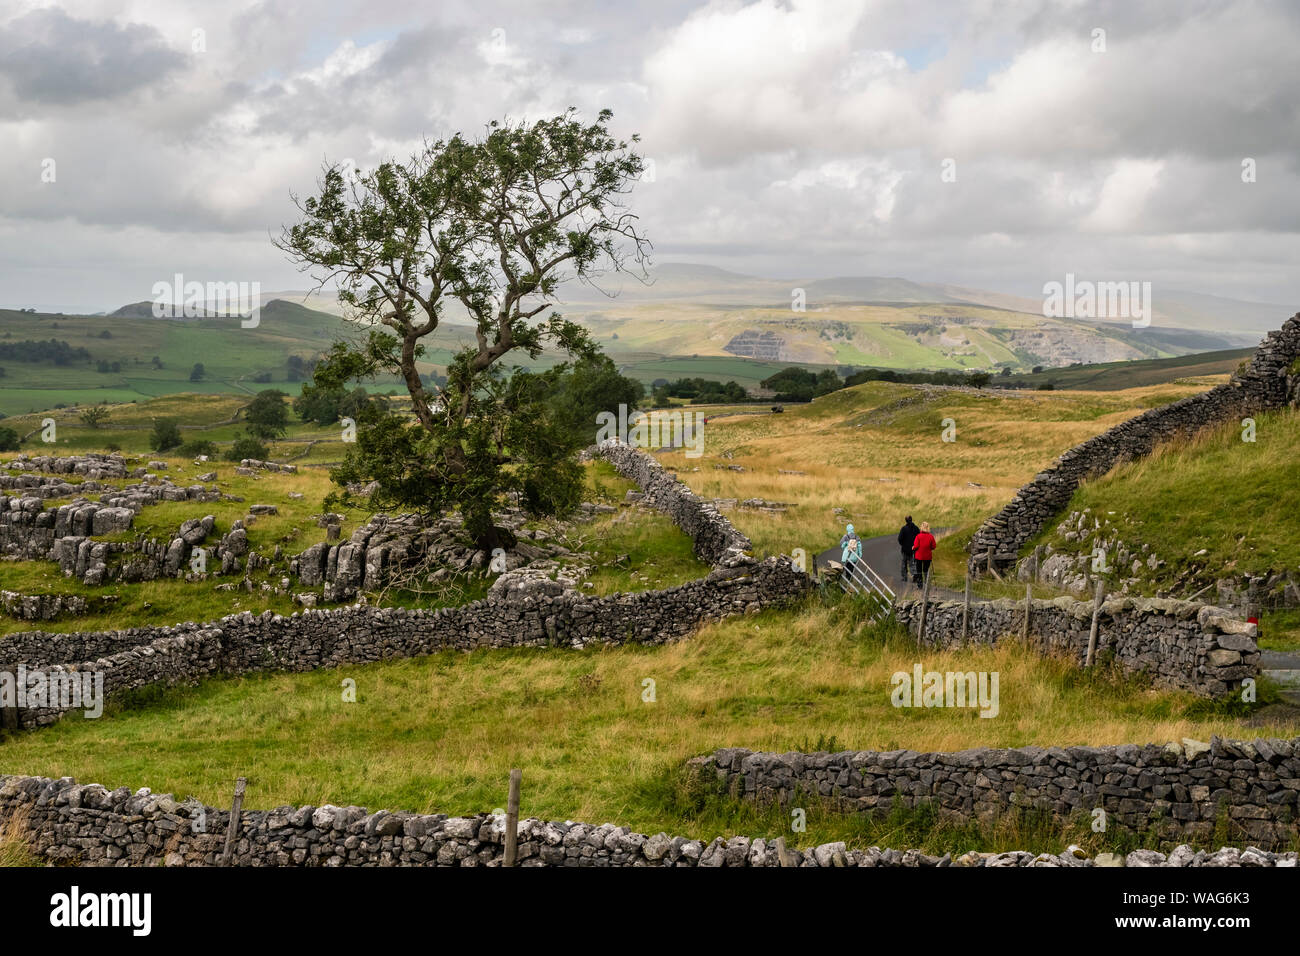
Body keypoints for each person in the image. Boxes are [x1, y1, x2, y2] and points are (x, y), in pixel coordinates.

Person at [911, 521, 937, 587]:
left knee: (919, 570)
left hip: (919, 556)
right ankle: (927, 583)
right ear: (928, 528)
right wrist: (929, 547)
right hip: (927, 556)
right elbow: (934, 546)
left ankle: (920, 584)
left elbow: (916, 546)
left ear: (921, 527)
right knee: (926, 570)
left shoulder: (918, 536)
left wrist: (913, 548)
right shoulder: (931, 537)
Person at [897, 515, 919, 584]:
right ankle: (914, 576)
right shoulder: (916, 528)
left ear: (906, 520)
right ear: (911, 520)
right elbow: (919, 538)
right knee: (912, 564)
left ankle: (904, 577)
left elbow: (899, 539)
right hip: (913, 549)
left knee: (904, 564)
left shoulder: (904, 529)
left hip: (905, 550)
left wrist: (903, 544)